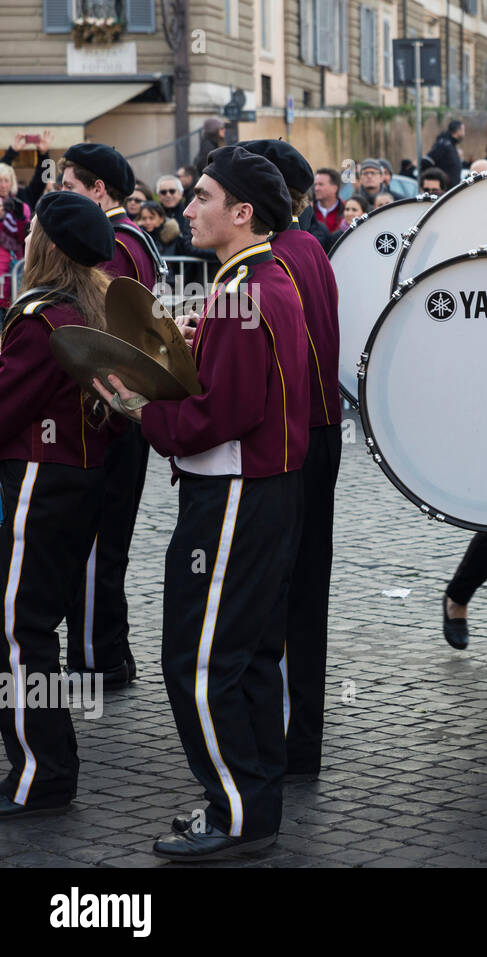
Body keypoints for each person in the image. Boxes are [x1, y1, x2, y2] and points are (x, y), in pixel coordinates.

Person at [94, 144, 309, 860]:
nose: (188, 209)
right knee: (242, 657)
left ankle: (238, 812)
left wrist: (136, 408)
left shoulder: (243, 289)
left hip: (234, 495)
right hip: (258, 493)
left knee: (199, 659)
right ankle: (252, 804)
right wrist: (195, 349)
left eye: (204, 198)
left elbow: (223, 413)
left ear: (243, 213)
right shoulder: (263, 278)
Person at [0, 191, 116, 819]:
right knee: (34, 627)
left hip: (40, 482)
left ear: (46, 246)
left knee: (20, 632)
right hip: (76, 478)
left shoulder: (43, 317)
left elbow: (6, 405)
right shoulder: (87, 308)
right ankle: (49, 764)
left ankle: (40, 773)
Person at [240, 139, 343, 775]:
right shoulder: (310, 246)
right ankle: (300, 735)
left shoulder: (278, 257)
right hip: (320, 430)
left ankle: (280, 737)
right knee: (306, 590)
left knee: (277, 590)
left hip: (293, 435)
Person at [59, 142, 168, 689]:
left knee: (99, 539)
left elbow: (98, 329)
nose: (62, 195)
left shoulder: (114, 243)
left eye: (71, 187)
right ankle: (109, 651)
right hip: (123, 403)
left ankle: (96, 658)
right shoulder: (133, 237)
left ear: (99, 190)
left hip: (112, 406)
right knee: (108, 536)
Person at [0, 162, 31, 308]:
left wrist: (20, 219)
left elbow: (24, 238)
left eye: (6, 180)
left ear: (12, 182)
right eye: (0, 180)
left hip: (15, 268)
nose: (3, 185)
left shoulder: (21, 206)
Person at [429, 119, 465, 187]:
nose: (464, 133)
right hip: (445, 191)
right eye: (463, 130)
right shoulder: (444, 144)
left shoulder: (451, 145)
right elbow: (427, 161)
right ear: (458, 131)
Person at [313, 168, 344, 232]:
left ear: (334, 188)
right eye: (315, 184)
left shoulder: (347, 210)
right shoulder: (308, 210)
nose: (316, 188)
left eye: (321, 184)